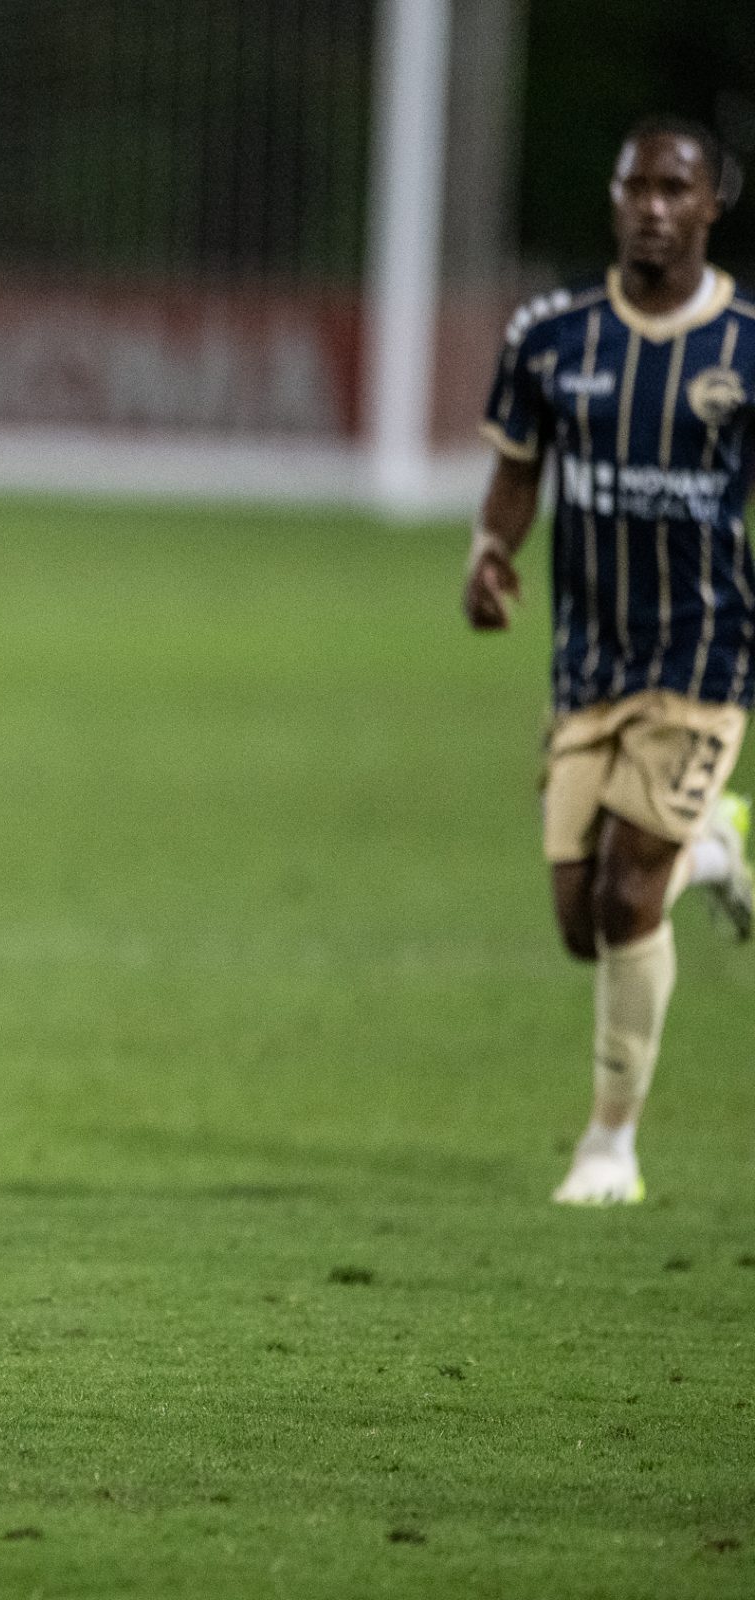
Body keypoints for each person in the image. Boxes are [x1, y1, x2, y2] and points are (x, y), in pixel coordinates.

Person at [465, 115, 755, 1207]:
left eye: (675, 189)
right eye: (637, 187)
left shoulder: (746, 348)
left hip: (706, 653)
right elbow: (517, 472)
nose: (652, 207)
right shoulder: (552, 337)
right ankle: (716, 851)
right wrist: (489, 553)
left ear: (711, 204)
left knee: (629, 895)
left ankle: (609, 1146)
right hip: (587, 658)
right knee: (581, 922)